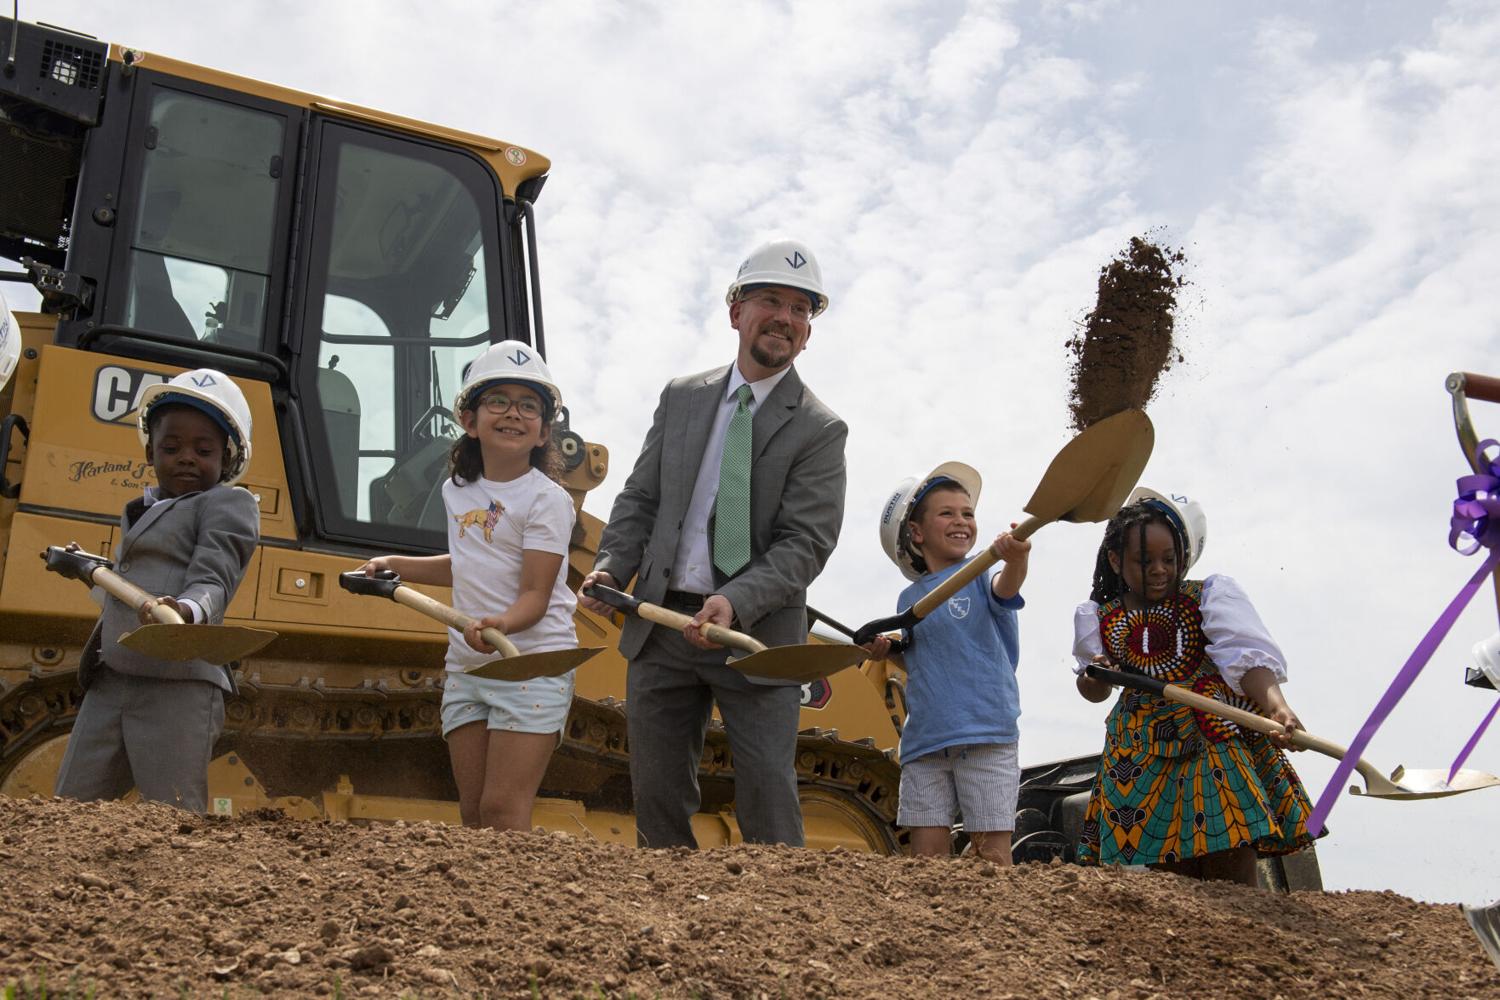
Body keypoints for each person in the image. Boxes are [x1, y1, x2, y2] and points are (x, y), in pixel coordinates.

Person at [577, 239, 846, 849]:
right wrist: (612, 567)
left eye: (801, 309)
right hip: (660, 623)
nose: (785, 317)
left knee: (767, 795)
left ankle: (778, 906)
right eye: (771, 300)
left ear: (808, 333)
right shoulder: (682, 398)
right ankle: (671, 909)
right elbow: (640, 498)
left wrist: (736, 601)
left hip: (755, 638)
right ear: (735, 312)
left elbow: (806, 541)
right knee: (657, 795)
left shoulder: (821, 429)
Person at [360, 341, 579, 832]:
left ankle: (517, 887)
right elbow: (469, 563)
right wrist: (395, 565)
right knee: (474, 812)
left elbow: (536, 595)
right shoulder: (456, 490)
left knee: (502, 810)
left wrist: (500, 624)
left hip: (530, 664)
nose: (513, 414)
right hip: (468, 665)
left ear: (544, 431)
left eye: (529, 406)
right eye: (498, 400)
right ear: (469, 419)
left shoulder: (547, 500)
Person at [1072, 488, 1317, 885]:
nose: (1159, 570)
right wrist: (1094, 674)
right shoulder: (1098, 617)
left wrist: (1277, 706)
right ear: (1115, 561)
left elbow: (1246, 657)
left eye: (1169, 559)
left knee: (1231, 859)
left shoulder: (1207, 598)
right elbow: (1093, 690)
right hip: (1140, 752)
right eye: (1144, 561)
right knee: (1171, 876)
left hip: (1211, 741)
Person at [54, 368, 260, 813]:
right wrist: (88, 568)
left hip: (176, 686)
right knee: (70, 810)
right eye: (171, 448)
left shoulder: (229, 504)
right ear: (150, 451)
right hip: (113, 676)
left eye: (203, 450)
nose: (186, 458)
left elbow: (214, 579)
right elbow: (135, 582)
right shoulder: (143, 508)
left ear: (227, 457)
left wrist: (185, 611)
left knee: (172, 814)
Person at [866, 463, 1030, 863]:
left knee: (991, 852)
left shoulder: (981, 573)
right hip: (925, 741)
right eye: (947, 513)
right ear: (917, 533)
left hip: (984, 732)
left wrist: (1016, 558)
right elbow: (924, 660)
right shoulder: (908, 600)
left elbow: (1007, 585)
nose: (961, 521)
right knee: (927, 858)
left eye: (967, 513)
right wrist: (889, 651)